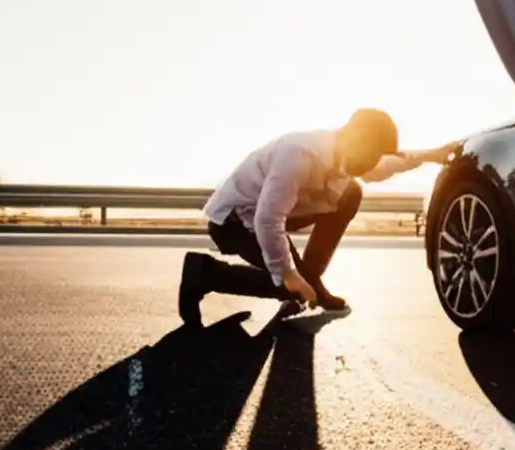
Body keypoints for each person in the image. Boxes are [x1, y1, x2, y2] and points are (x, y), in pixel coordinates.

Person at [177, 108, 461, 326]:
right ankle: (203, 273)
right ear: (357, 139)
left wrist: (431, 155)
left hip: (272, 215)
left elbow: (389, 164)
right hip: (235, 221)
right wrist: (289, 275)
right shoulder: (299, 154)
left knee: (351, 192)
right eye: (372, 156)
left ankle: (312, 279)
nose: (372, 165)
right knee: (291, 288)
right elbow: (268, 219)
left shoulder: (351, 154)